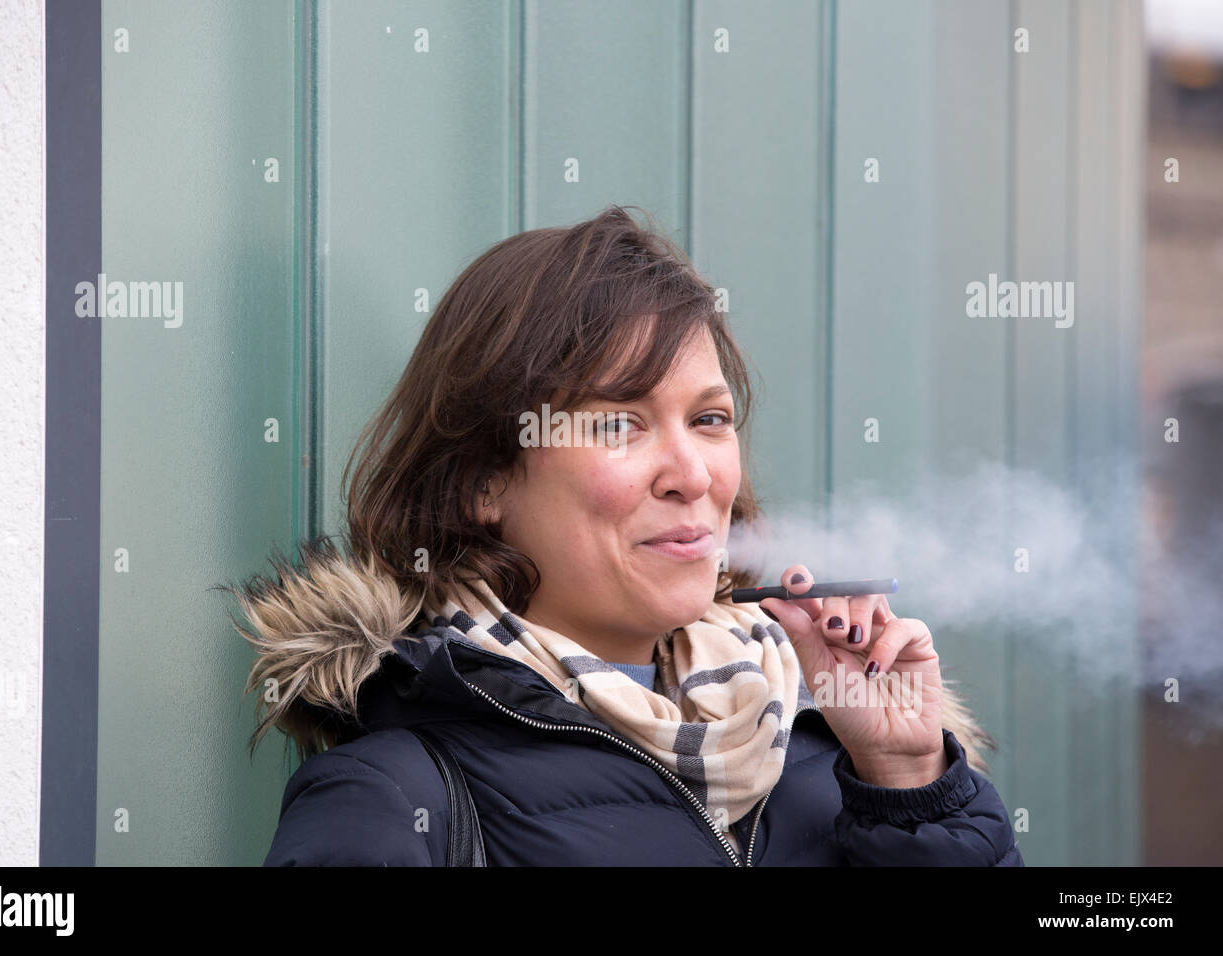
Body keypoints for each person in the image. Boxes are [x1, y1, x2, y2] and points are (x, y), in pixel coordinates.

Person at [221, 204, 1024, 866]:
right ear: (482, 481)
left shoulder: (825, 756)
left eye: (709, 419)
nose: (692, 474)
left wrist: (909, 782)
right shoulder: (394, 802)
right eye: (619, 423)